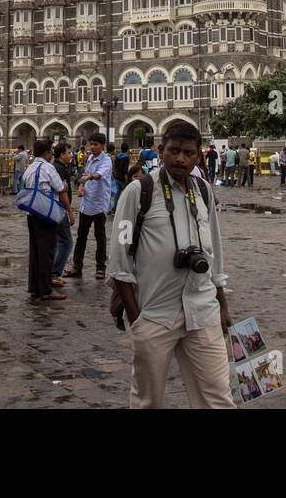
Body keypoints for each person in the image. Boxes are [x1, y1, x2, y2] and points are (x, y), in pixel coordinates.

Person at [108, 121, 235, 409]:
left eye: (188, 153)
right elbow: (119, 260)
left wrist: (223, 306)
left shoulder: (203, 191)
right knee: (148, 401)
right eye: (174, 151)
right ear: (160, 150)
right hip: (155, 314)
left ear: (198, 156)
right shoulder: (137, 192)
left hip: (203, 312)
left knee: (218, 399)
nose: (180, 158)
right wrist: (137, 320)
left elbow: (214, 252)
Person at [22, 139, 70, 301]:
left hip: (32, 214)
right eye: (50, 152)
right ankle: (46, 289)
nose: (52, 155)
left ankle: (35, 287)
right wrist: (64, 186)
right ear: (45, 153)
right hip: (46, 214)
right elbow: (60, 187)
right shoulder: (47, 168)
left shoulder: (30, 168)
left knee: (35, 252)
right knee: (47, 252)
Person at [68, 131, 112, 279]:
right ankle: (77, 266)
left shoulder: (106, 160)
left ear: (103, 146)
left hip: (99, 204)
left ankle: (101, 267)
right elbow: (84, 176)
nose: (92, 147)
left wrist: (89, 178)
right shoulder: (90, 159)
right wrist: (81, 188)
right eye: (91, 144)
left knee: (100, 237)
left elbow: (99, 175)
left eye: (95, 144)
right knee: (81, 236)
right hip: (86, 203)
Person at [51, 142, 75, 287]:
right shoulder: (59, 169)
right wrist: (70, 211)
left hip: (55, 209)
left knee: (58, 242)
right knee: (66, 242)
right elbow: (62, 192)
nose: (71, 155)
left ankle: (52, 272)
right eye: (69, 153)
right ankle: (54, 274)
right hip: (59, 210)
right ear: (62, 155)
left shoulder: (58, 167)